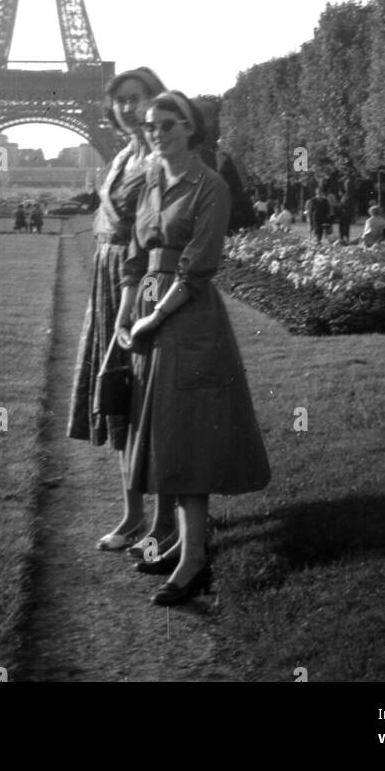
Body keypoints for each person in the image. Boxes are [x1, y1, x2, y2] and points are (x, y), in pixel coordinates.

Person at [116, 91, 271, 607]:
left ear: (190, 128)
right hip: (149, 316)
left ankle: (194, 559)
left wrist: (154, 316)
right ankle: (182, 542)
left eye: (165, 124)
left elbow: (199, 266)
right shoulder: (152, 181)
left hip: (186, 316)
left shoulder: (211, 186)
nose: (154, 132)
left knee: (185, 434)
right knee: (163, 432)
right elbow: (136, 257)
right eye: (149, 125)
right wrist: (126, 315)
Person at [67, 66, 175, 555]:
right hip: (108, 277)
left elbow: (159, 229)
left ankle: (163, 522)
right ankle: (134, 515)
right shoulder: (124, 155)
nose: (127, 108)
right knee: (119, 398)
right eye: (120, 100)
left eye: (138, 98)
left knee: (149, 402)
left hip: (140, 281)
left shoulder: (160, 159)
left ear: (157, 101)